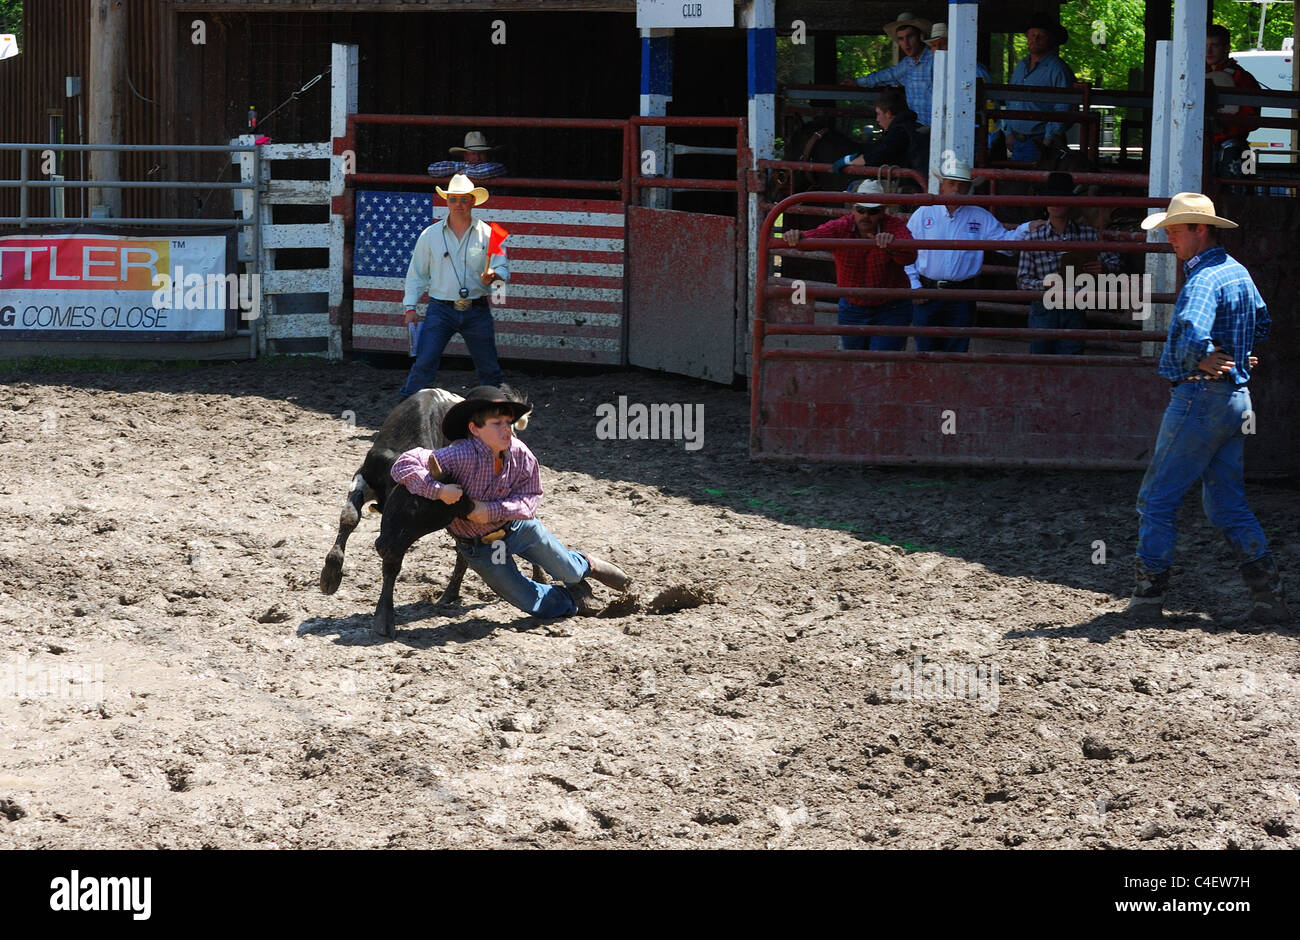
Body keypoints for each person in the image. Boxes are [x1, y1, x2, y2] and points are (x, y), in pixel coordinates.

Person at [1128, 193, 1288, 625]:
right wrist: (1240, 350)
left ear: (1200, 230)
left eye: (1175, 231)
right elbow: (1263, 322)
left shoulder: (1201, 280)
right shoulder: (1236, 272)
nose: (1170, 240)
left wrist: (1199, 357)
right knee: (1226, 505)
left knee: (1156, 500)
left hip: (1199, 397)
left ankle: (1147, 599)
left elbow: (1189, 328)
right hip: (1235, 399)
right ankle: (1268, 596)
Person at [390, 386, 632, 618]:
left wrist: (491, 510)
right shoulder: (457, 454)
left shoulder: (521, 453)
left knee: (568, 569)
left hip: (518, 529)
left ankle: (588, 564)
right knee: (531, 602)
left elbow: (531, 498)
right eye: (497, 424)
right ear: (475, 429)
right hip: (481, 547)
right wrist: (439, 490)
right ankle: (573, 600)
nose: (506, 430)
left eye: (508, 423)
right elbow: (403, 463)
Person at [906, 159, 1039, 352]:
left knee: (955, 347)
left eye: (962, 185)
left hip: (959, 292)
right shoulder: (924, 212)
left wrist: (1026, 228)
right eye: (952, 184)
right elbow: (906, 250)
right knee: (927, 348)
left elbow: (1005, 244)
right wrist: (914, 285)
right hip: (929, 290)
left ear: (969, 188)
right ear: (943, 186)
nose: (956, 190)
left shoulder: (979, 216)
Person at [398, 174, 507, 400]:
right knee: (425, 363)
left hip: (476, 309)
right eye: (453, 199)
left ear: (473, 201)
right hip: (440, 309)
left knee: (489, 367)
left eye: (464, 199)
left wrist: (493, 276)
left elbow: (503, 270)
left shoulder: (490, 234)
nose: (459, 204)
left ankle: (501, 413)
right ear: (446, 202)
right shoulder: (429, 235)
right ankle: (404, 410)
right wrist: (410, 308)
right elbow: (416, 273)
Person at [782, 180, 917, 351]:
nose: (865, 215)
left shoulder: (894, 225)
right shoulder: (842, 226)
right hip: (856, 306)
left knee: (880, 363)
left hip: (890, 307)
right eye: (861, 210)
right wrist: (798, 236)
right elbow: (811, 238)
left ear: (883, 211)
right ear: (853, 209)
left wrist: (893, 248)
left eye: (872, 211)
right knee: (858, 362)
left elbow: (910, 256)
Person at [1017, 171, 1120, 354]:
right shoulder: (1033, 239)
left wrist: (1104, 268)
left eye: (1061, 197)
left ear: (1070, 202)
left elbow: (1114, 261)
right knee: (1044, 358)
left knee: (1065, 357)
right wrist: (1045, 284)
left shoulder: (1089, 234)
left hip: (1072, 304)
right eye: (1051, 197)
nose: (1055, 203)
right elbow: (1022, 281)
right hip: (1047, 304)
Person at [994, 16, 1076, 162]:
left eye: (1040, 36)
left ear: (1050, 40)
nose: (1035, 39)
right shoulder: (1021, 66)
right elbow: (1011, 98)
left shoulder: (1057, 69)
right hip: (1018, 140)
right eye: (1032, 35)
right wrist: (1008, 132)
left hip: (1039, 141)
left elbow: (1064, 107)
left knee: (1034, 181)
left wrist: (1048, 140)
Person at [843, 11, 935, 128]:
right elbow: (885, 76)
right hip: (917, 127)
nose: (906, 43)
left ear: (920, 36)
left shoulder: (935, 58)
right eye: (901, 39)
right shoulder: (907, 64)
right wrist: (857, 82)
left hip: (939, 127)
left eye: (910, 36)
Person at [1206, 24, 1262, 177]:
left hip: (1235, 145)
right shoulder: (1198, 75)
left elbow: (1252, 118)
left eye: (1214, 45)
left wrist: (1224, 125)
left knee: (1240, 195)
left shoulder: (1242, 78)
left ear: (1226, 48)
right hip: (1209, 146)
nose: (1208, 51)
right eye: (1205, 45)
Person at [831, 88, 925, 177]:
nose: (877, 119)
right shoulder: (913, 126)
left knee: (856, 187)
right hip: (917, 180)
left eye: (879, 114)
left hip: (912, 184)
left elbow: (877, 156)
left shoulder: (899, 132)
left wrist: (847, 161)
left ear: (888, 114)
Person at [924, 23, 991, 83]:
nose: (938, 49)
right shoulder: (934, 68)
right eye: (934, 45)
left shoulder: (972, 68)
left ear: (953, 45)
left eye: (943, 44)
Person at [427, 131, 509, 179]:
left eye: (481, 154)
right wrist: (466, 166)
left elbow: (484, 172)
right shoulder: (464, 165)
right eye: (473, 154)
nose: (477, 158)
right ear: (465, 156)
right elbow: (432, 169)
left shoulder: (497, 167)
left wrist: (460, 173)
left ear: (487, 155)